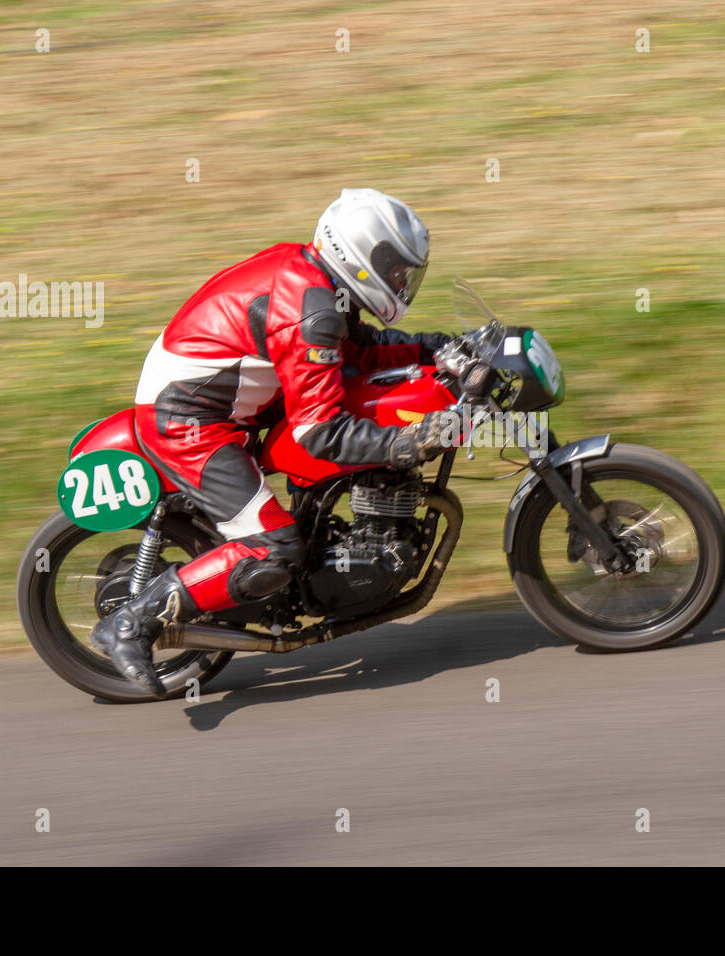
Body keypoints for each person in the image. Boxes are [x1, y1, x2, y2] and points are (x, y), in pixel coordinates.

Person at [90, 188, 455, 696]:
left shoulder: (319, 284)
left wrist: (438, 347)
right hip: (191, 420)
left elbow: (361, 348)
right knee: (275, 548)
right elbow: (319, 432)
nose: (400, 280)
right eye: (393, 267)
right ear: (358, 255)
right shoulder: (311, 308)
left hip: (230, 402)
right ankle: (131, 623)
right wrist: (406, 443)